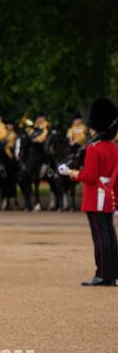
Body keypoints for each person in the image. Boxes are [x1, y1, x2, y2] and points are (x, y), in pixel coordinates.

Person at [60, 98, 118, 286]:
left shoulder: (94, 149)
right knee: (109, 235)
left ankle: (102, 274)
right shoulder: (114, 147)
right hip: (109, 196)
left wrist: (70, 172)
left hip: (95, 197)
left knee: (100, 237)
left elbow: (90, 176)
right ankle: (111, 273)